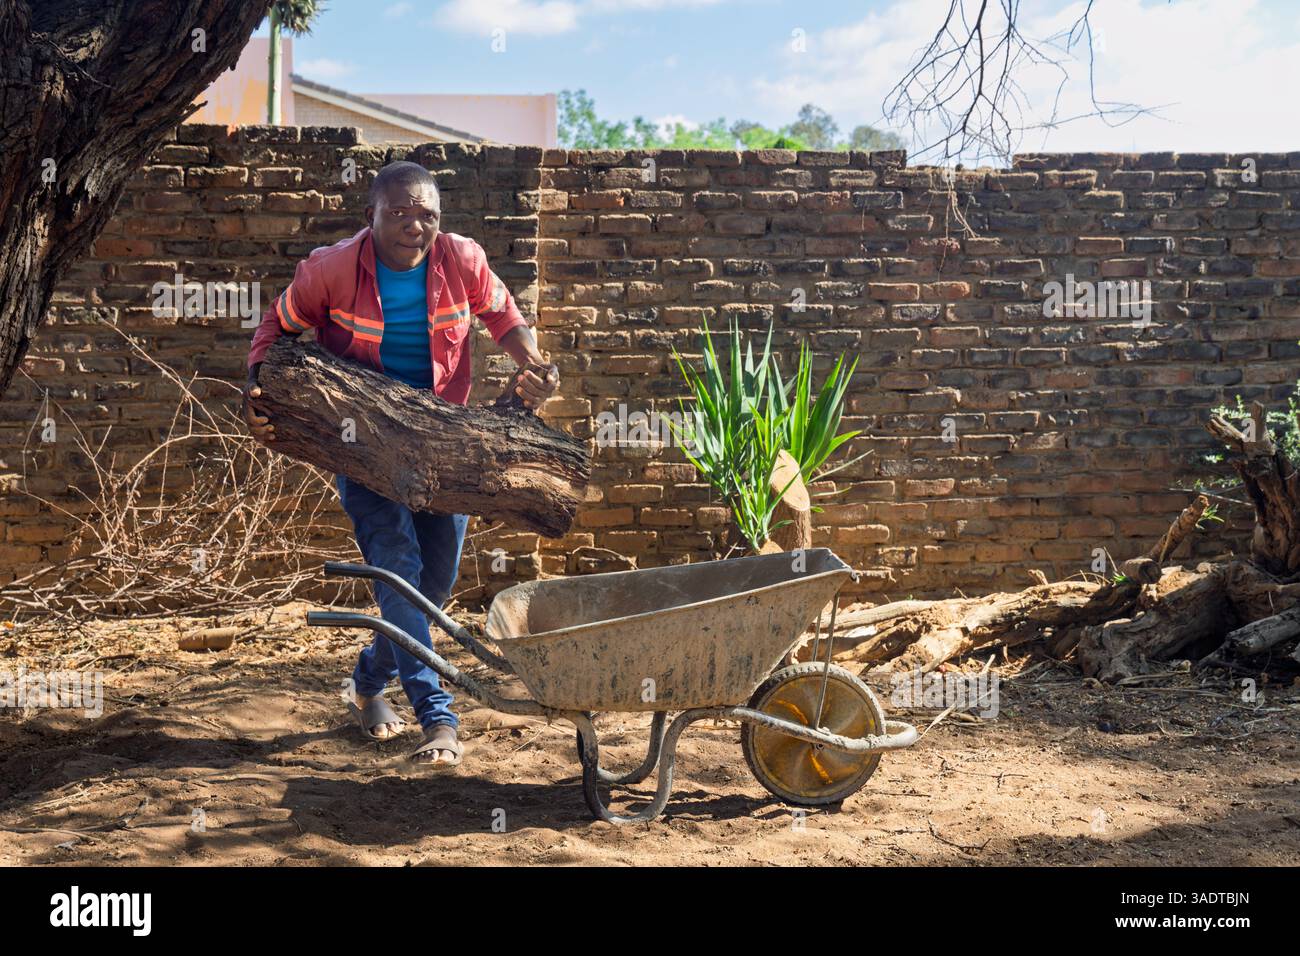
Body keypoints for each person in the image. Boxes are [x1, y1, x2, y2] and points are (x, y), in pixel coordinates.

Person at [241, 161, 559, 766]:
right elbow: (274, 330)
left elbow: (504, 317)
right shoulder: (329, 270)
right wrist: (255, 393)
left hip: (445, 445)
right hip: (362, 444)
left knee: (431, 586)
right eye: (400, 213)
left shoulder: (462, 259)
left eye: (427, 214)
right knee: (399, 568)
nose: (416, 225)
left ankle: (365, 683)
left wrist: (534, 364)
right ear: (372, 216)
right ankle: (437, 718)